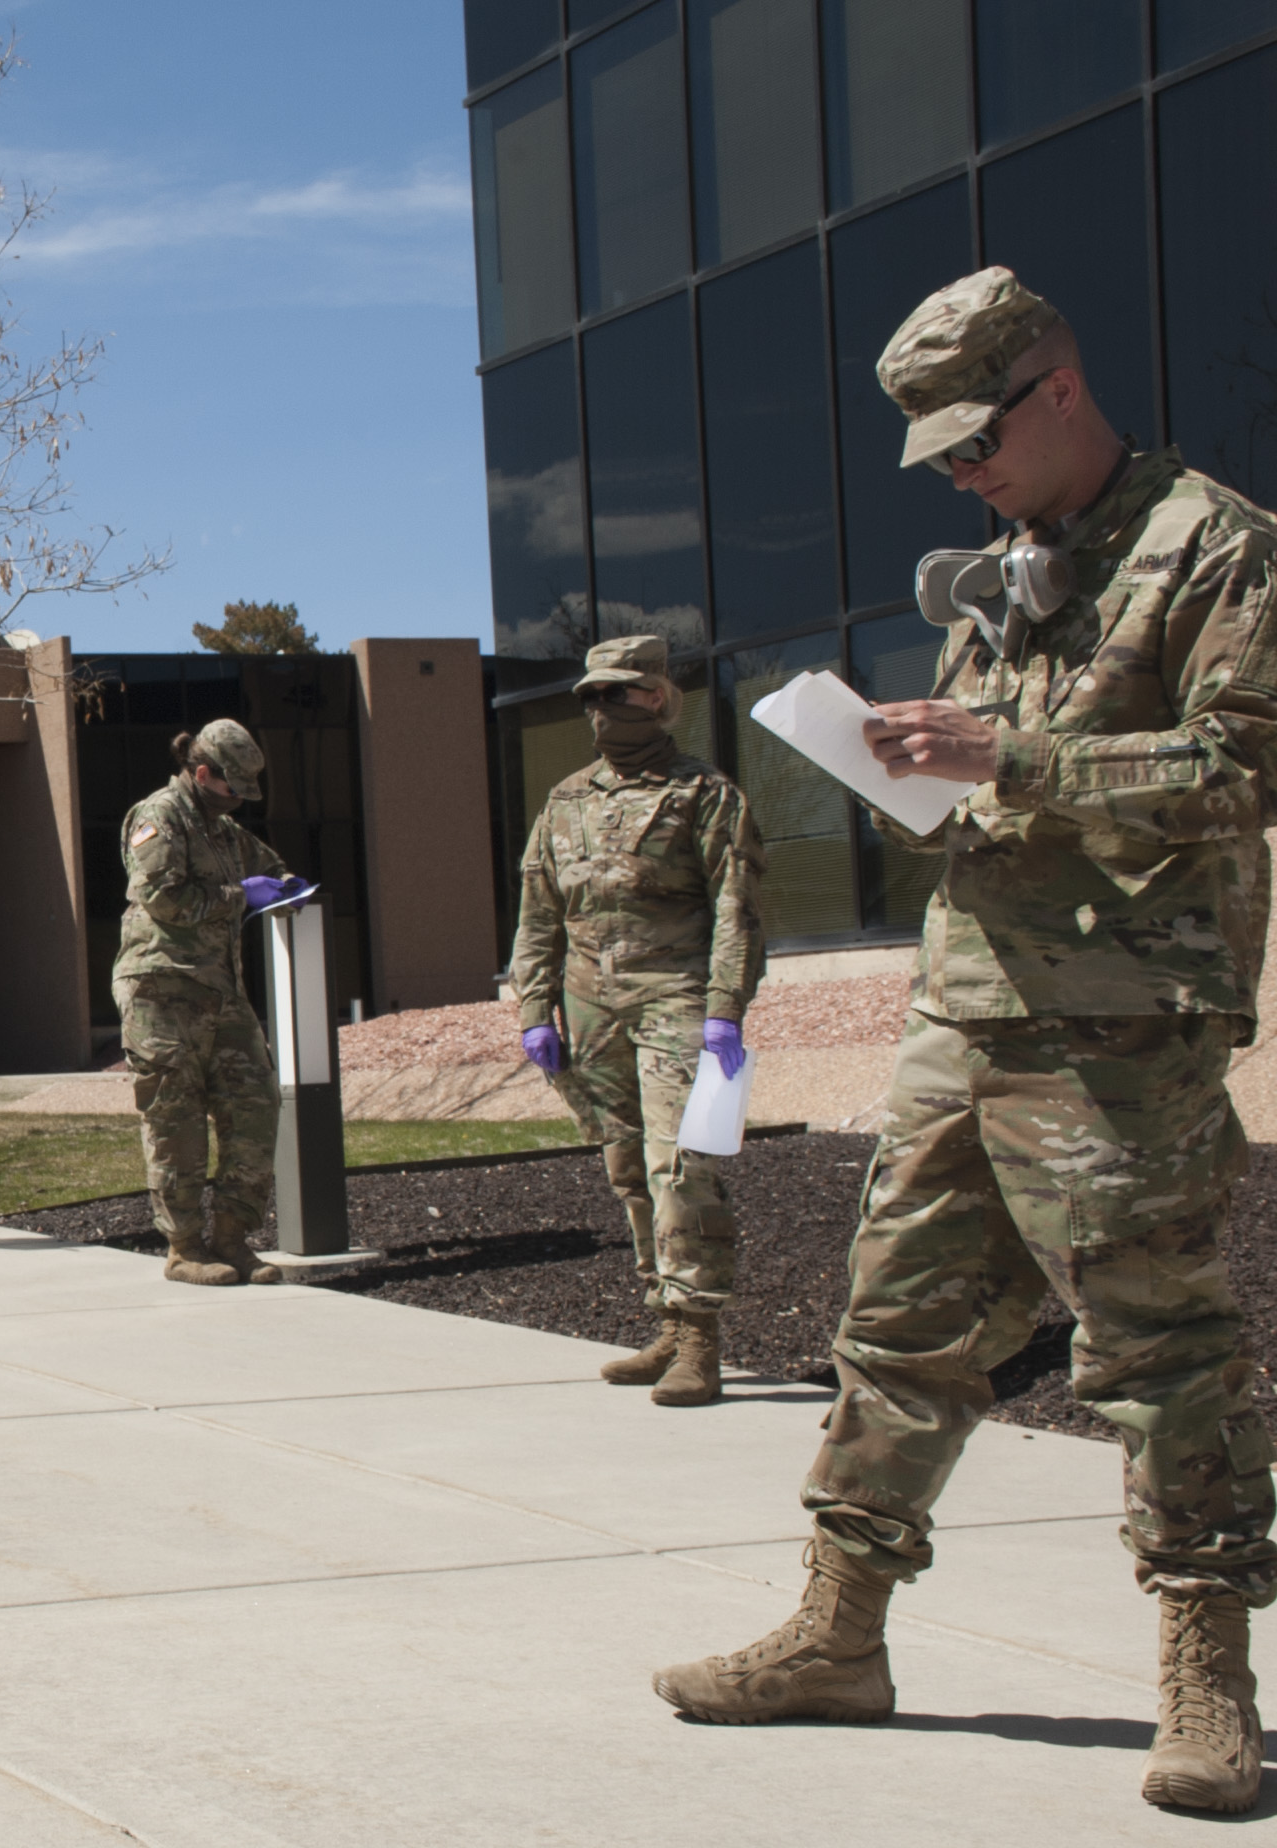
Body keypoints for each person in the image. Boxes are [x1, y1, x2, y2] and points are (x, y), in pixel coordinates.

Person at [650, 268, 1277, 1816]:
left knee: (1159, 1353)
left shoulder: (1218, 546)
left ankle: (1209, 1681)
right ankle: (837, 1636)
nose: (957, 474)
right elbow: (1011, 782)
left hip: (1119, 1029)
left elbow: (1242, 772)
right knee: (894, 1331)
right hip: (969, 999)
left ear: (1056, 386)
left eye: (972, 441)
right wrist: (920, 766)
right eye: (936, 457)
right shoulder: (1015, 563)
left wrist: (1017, 751)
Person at [510, 635, 765, 1406]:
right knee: (628, 1171)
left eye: (618, 692)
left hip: (676, 1000)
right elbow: (538, 911)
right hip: (591, 1009)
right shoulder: (566, 799)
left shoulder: (705, 794)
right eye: (591, 696)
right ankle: (661, 1315)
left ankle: (699, 1340)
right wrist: (533, 1007)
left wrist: (725, 1007)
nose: (601, 709)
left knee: (680, 1166)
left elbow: (737, 907)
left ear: (658, 697)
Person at [113, 719, 301, 1287]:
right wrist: (238, 897)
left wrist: (285, 883)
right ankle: (185, 1248)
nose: (238, 801)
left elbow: (269, 865)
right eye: (232, 789)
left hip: (221, 991)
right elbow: (163, 898)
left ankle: (232, 1239)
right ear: (201, 774)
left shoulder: (224, 829)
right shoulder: (159, 817)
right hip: (161, 991)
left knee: (255, 1107)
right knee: (177, 1119)